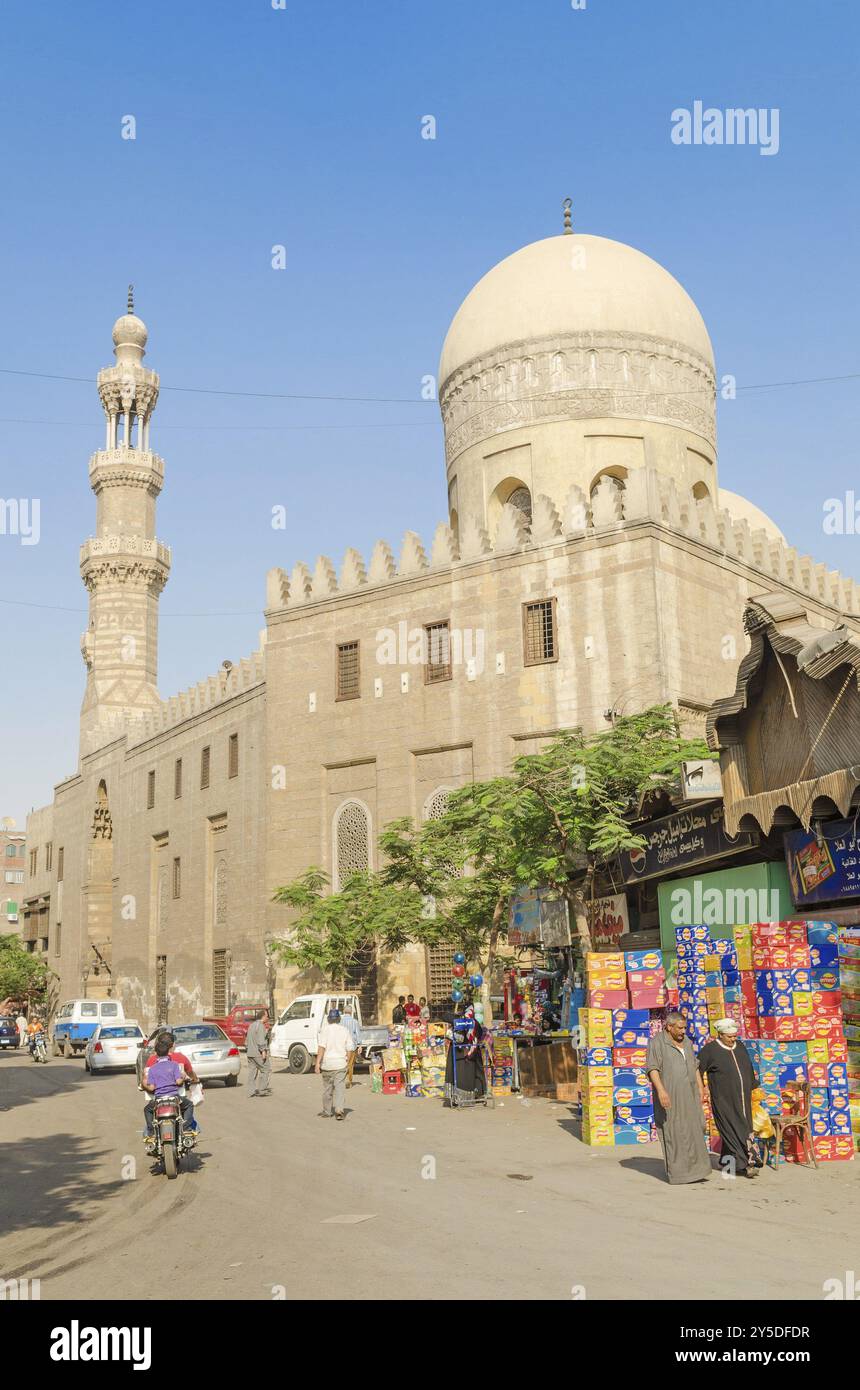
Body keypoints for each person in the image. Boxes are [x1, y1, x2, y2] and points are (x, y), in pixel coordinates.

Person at [646, 1011, 711, 1184]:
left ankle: (697, 1171)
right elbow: (653, 1068)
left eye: (685, 1028)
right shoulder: (657, 1043)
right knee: (674, 1132)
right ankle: (679, 1174)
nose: (683, 1031)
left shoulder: (687, 1042)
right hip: (670, 1095)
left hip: (689, 1094)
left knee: (695, 1128)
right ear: (669, 1027)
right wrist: (661, 1091)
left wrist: (700, 1086)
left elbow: (694, 1065)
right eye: (680, 1028)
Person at [697, 1019, 760, 1179]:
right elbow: (697, 1068)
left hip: (743, 1096)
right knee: (732, 1128)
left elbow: (748, 1066)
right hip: (723, 1098)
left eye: (734, 1036)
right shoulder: (710, 1050)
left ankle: (728, 1163)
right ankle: (747, 1164)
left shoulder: (740, 1046)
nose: (733, 1039)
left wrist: (753, 1086)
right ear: (720, 1034)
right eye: (729, 1036)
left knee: (743, 1125)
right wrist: (701, 1087)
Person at [141, 1032, 199, 1148]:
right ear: (171, 1046)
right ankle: (186, 1129)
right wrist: (184, 1077)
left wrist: (144, 1084)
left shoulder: (152, 1067)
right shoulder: (175, 1064)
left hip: (158, 1100)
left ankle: (151, 1133)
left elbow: (150, 1086)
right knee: (189, 1105)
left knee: (148, 1110)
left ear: (156, 1052)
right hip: (175, 1098)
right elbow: (180, 1080)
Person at [315, 1008, 355, 1120]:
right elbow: (350, 1047)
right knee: (339, 1088)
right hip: (340, 1064)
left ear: (328, 1019)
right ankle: (339, 1110)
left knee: (328, 1089)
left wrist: (317, 1063)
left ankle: (327, 1111)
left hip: (327, 1064)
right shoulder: (344, 1030)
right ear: (339, 1019)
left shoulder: (324, 1030)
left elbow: (321, 1047)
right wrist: (347, 1058)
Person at [444, 1004, 486, 1106]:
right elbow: (480, 1034)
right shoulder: (473, 1022)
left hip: (459, 1054)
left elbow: (445, 1016)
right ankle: (475, 1095)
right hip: (470, 1055)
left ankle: (458, 1098)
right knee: (472, 1075)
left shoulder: (458, 1021)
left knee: (459, 1076)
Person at [245, 1009, 271, 1098]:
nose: (268, 1018)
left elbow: (246, 1041)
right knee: (266, 1069)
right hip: (257, 1053)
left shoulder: (251, 1026)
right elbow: (260, 1040)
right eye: (267, 1016)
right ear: (263, 1016)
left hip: (250, 1053)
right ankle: (262, 1089)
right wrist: (263, 1051)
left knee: (252, 1072)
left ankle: (251, 1091)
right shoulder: (260, 1026)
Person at [341, 1003, 362, 1089]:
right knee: (350, 1064)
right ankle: (349, 1081)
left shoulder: (340, 1021)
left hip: (342, 1046)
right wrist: (360, 1045)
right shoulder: (355, 1022)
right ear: (351, 1012)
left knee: (342, 1064)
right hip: (352, 1046)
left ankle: (341, 1081)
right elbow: (358, 1035)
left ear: (344, 1011)